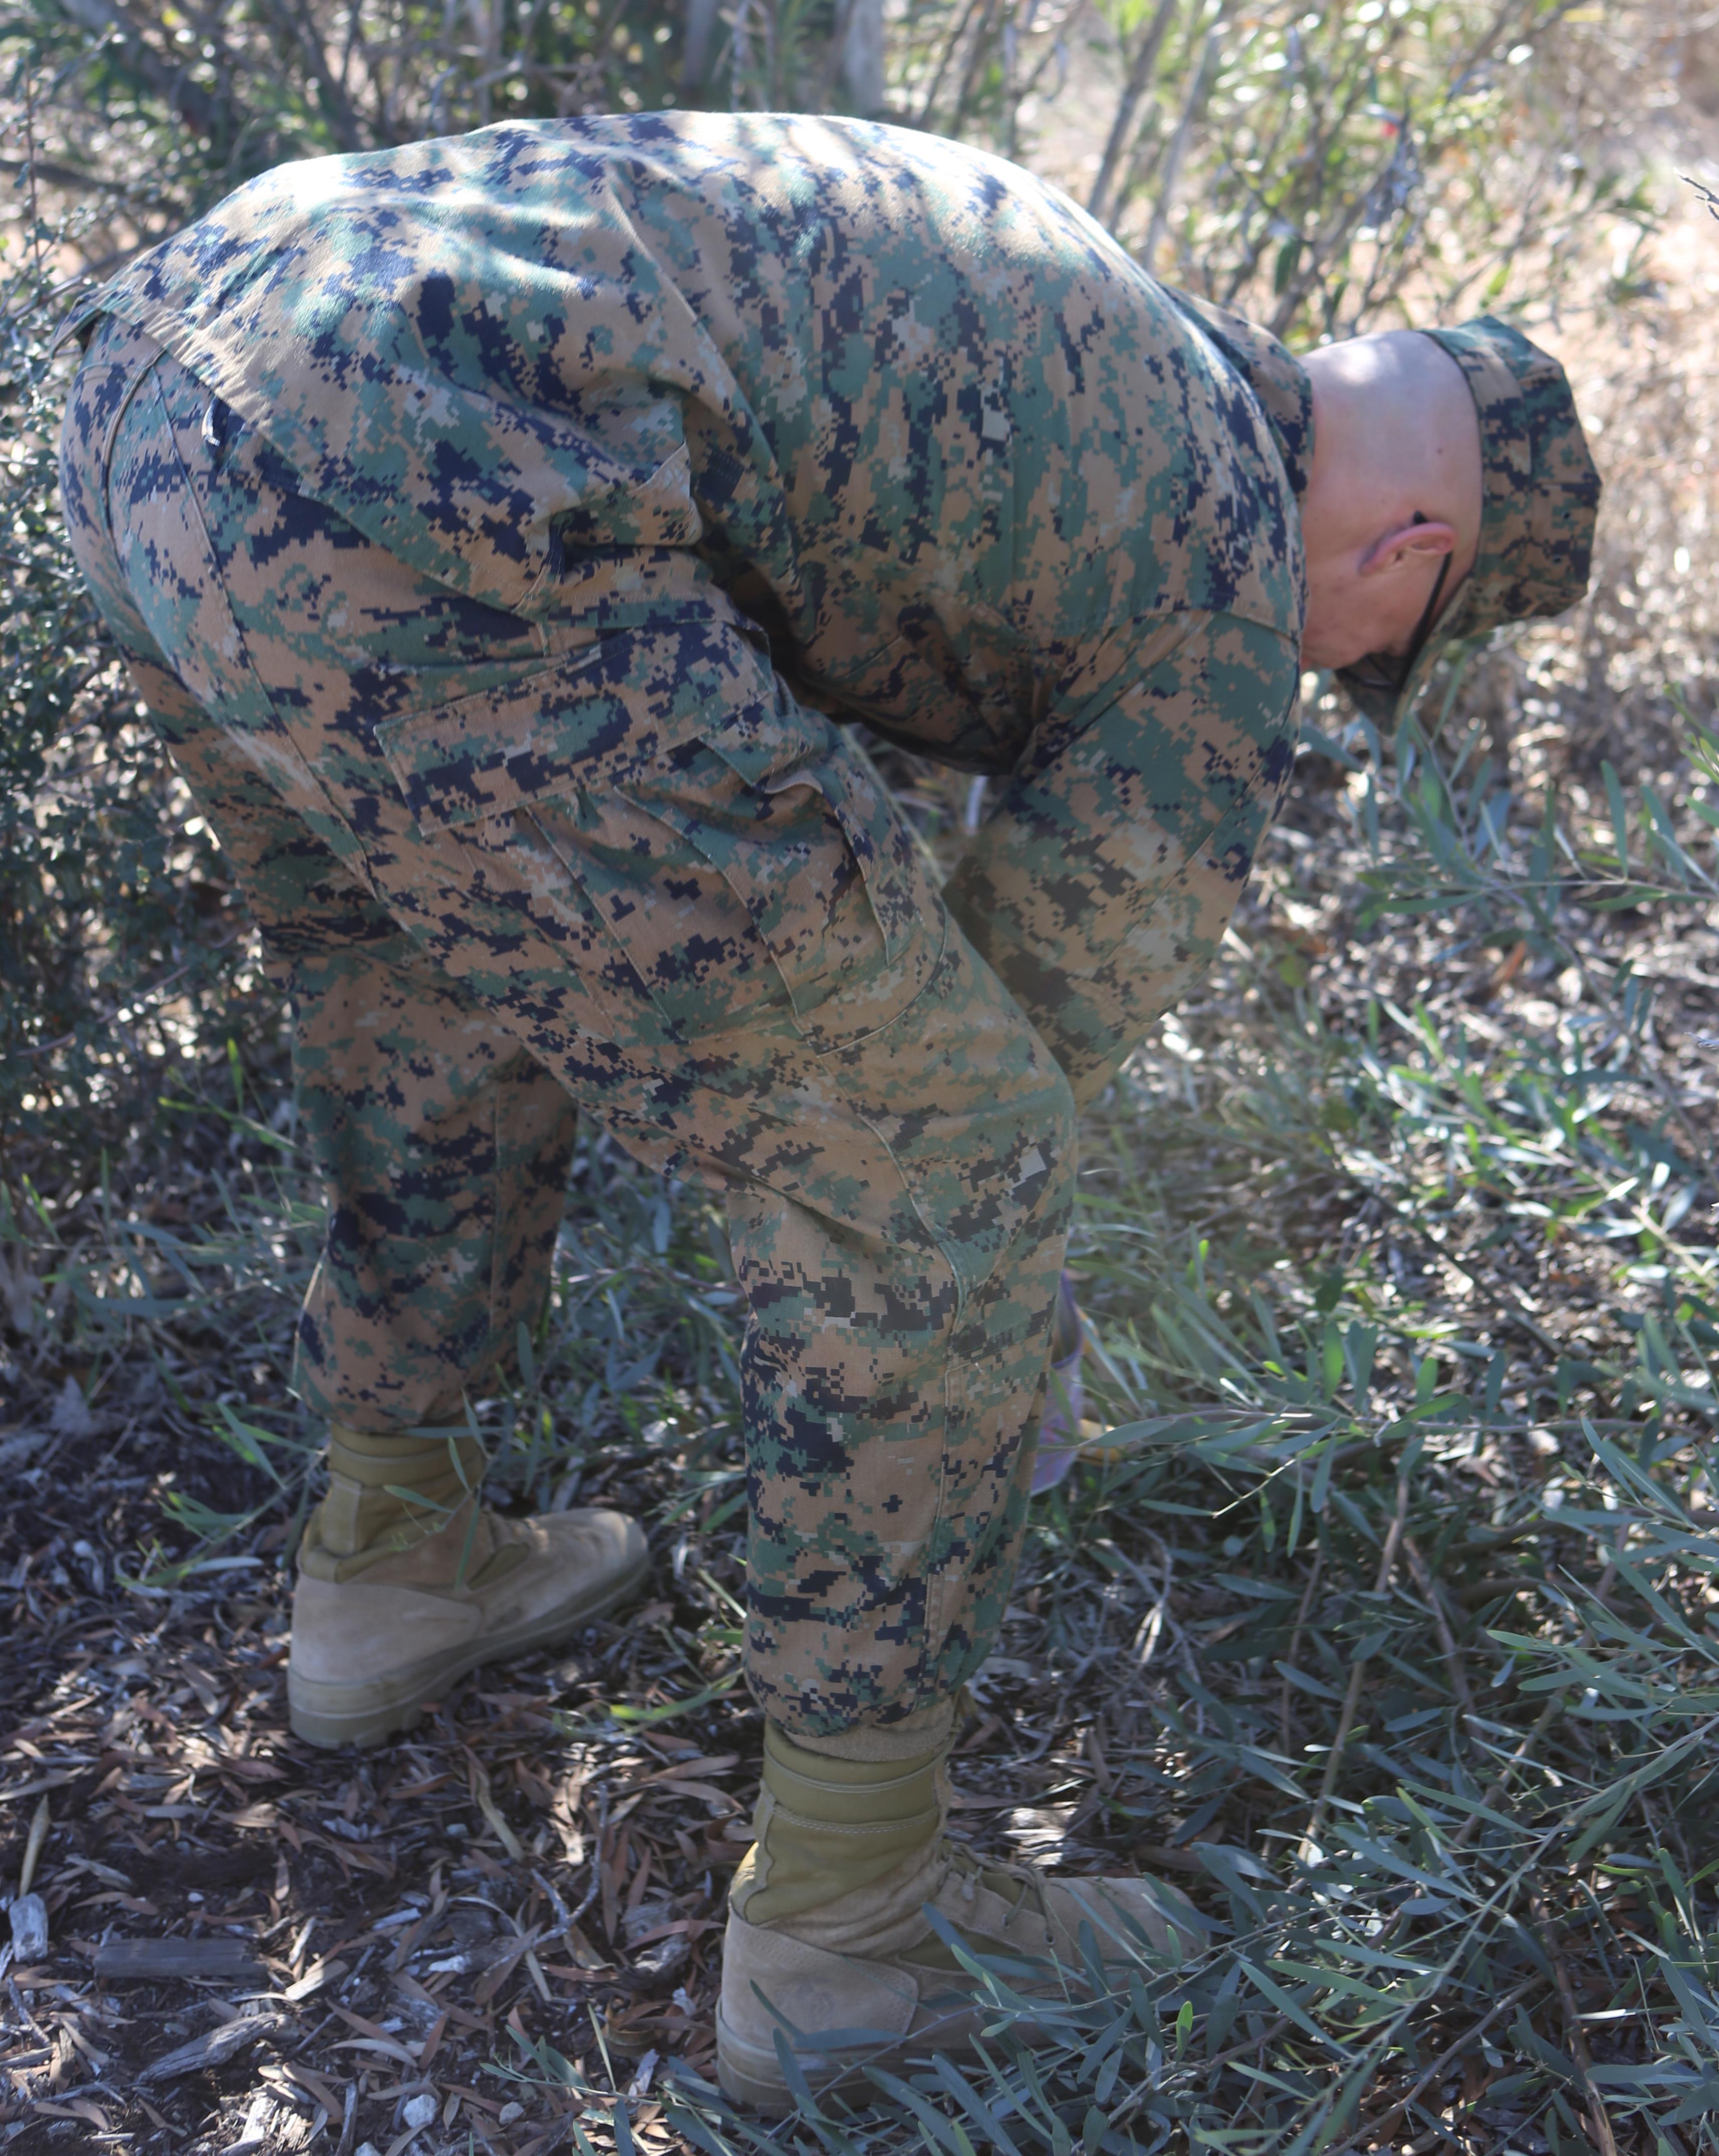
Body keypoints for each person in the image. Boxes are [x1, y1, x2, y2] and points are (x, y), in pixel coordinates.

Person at [55, 111, 1598, 2112]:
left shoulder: (1091, 316)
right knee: (947, 1161)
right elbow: (999, 1073)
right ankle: (855, 1931)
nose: (1347, 672)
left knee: (420, 990)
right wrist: (966, 1321)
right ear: (1409, 554)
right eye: (1397, 652)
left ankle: (394, 1555)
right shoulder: (1221, 552)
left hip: (170, 385)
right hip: (442, 459)